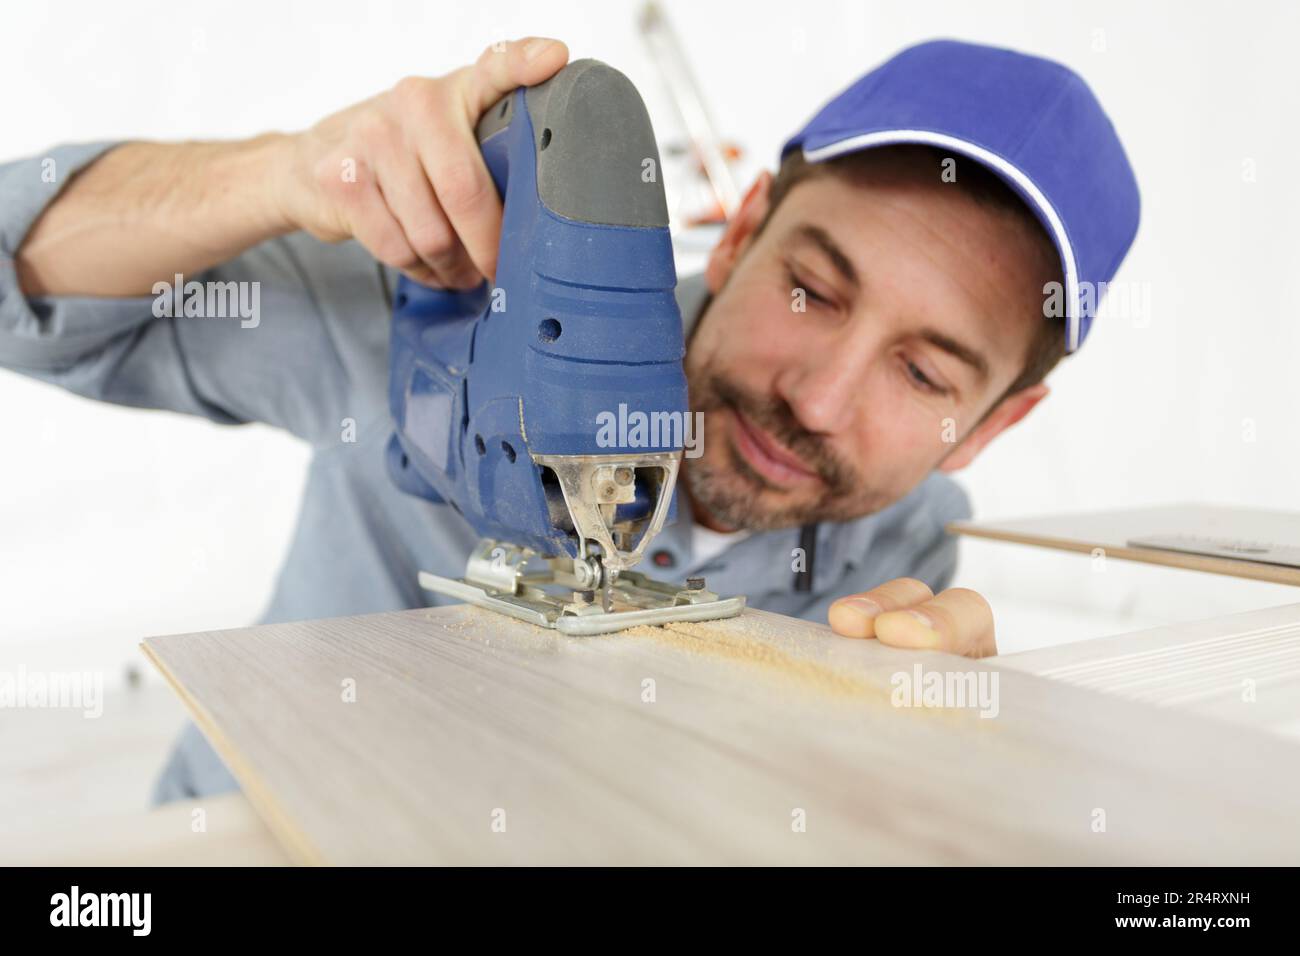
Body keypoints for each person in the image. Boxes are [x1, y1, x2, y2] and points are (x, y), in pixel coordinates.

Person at [0, 37, 1140, 801]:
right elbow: (19, 290)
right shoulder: (439, 304)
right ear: (741, 228)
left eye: (923, 374)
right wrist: (278, 172)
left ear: (993, 423)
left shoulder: (905, 549)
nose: (816, 396)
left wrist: (925, 772)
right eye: (814, 288)